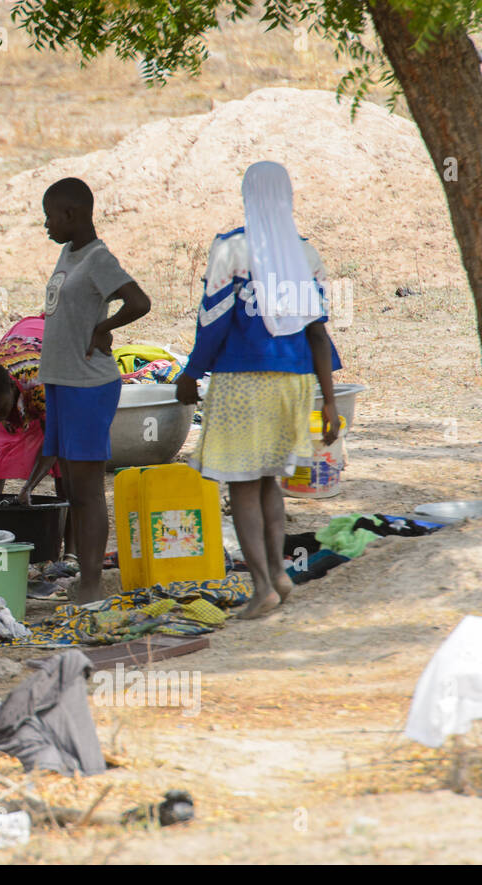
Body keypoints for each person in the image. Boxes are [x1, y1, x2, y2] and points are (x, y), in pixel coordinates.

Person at [175, 160, 342, 619]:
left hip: (242, 383)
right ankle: (281, 575)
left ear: (248, 196)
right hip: (293, 384)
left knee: (243, 486)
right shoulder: (305, 253)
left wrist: (191, 372)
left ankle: (262, 587)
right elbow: (318, 335)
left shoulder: (231, 248)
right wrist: (328, 400)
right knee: (268, 480)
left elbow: (213, 320)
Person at [22, 178, 151, 603]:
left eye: (50, 215)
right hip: (62, 383)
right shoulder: (69, 252)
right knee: (74, 490)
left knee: (88, 490)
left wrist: (105, 328)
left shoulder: (98, 258)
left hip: (87, 386)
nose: (45, 224)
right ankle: (86, 576)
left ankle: (93, 584)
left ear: (72, 215)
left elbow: (138, 302)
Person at [0, 314, 71, 559]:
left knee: (66, 464)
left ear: (12, 389)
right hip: (18, 349)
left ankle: (70, 552)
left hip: (54, 344)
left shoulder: (39, 384)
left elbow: (54, 442)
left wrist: (29, 487)